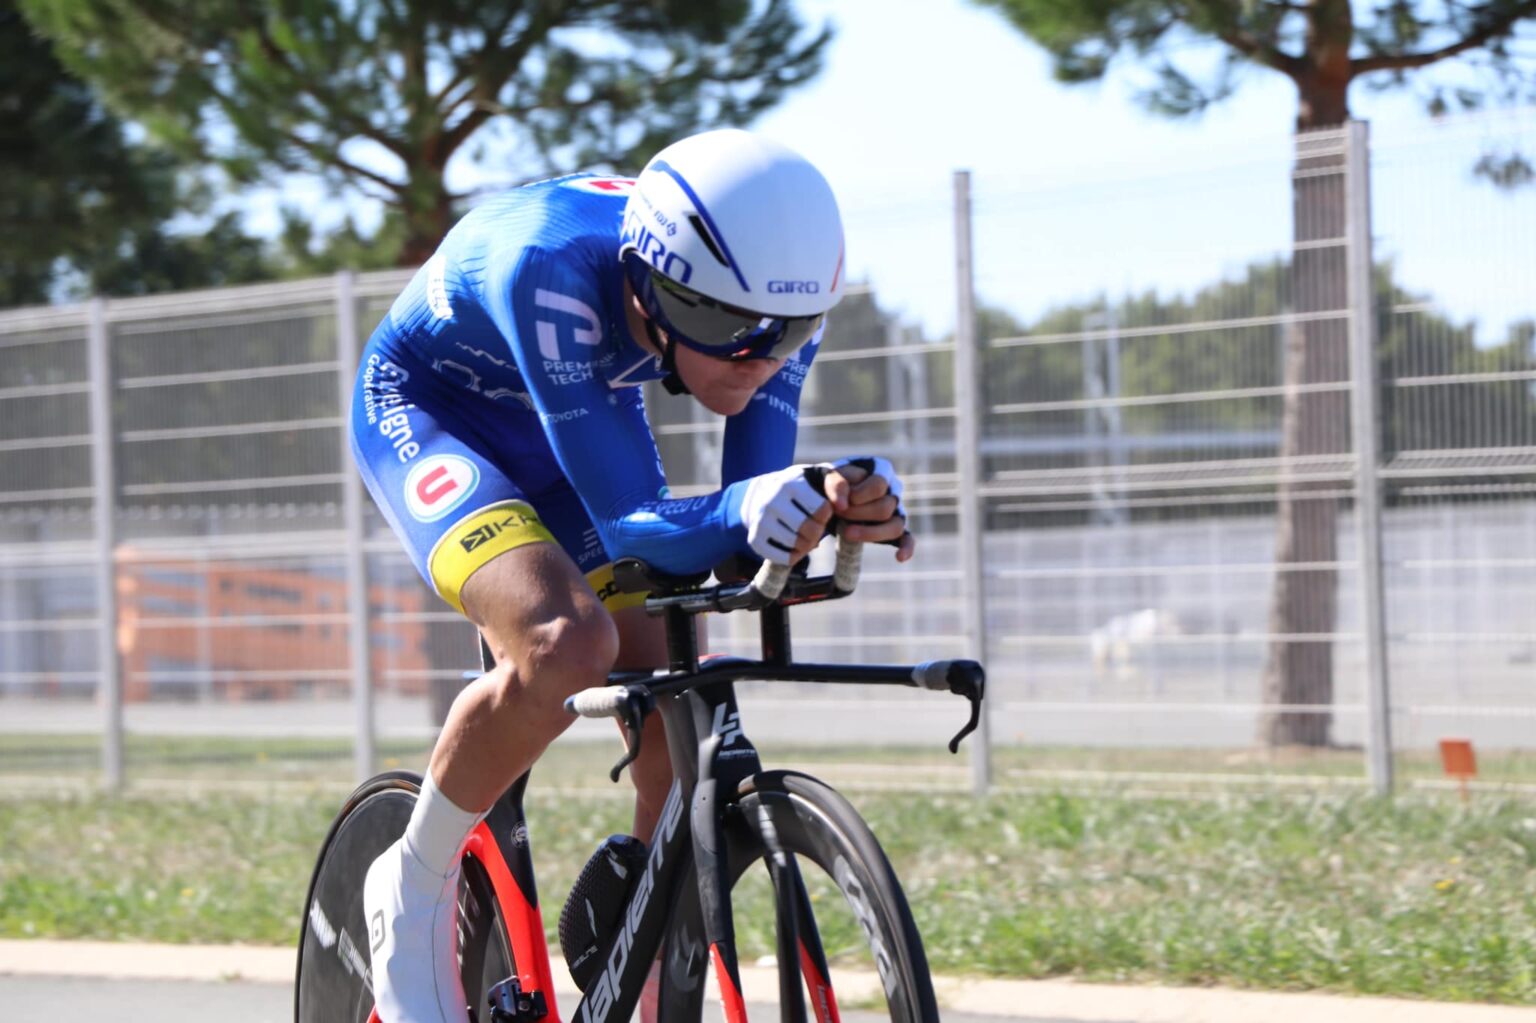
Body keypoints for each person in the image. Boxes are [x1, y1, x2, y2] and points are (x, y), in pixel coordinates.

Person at [348, 128, 914, 1023]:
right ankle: (411, 884)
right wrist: (752, 506)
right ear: (653, 283)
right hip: (435, 413)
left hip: (568, 424)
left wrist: (824, 500)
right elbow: (634, 523)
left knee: (670, 683)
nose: (759, 357)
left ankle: (640, 965)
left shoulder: (769, 296)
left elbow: (734, 527)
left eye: (791, 335)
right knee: (566, 641)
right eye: (731, 331)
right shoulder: (552, 267)